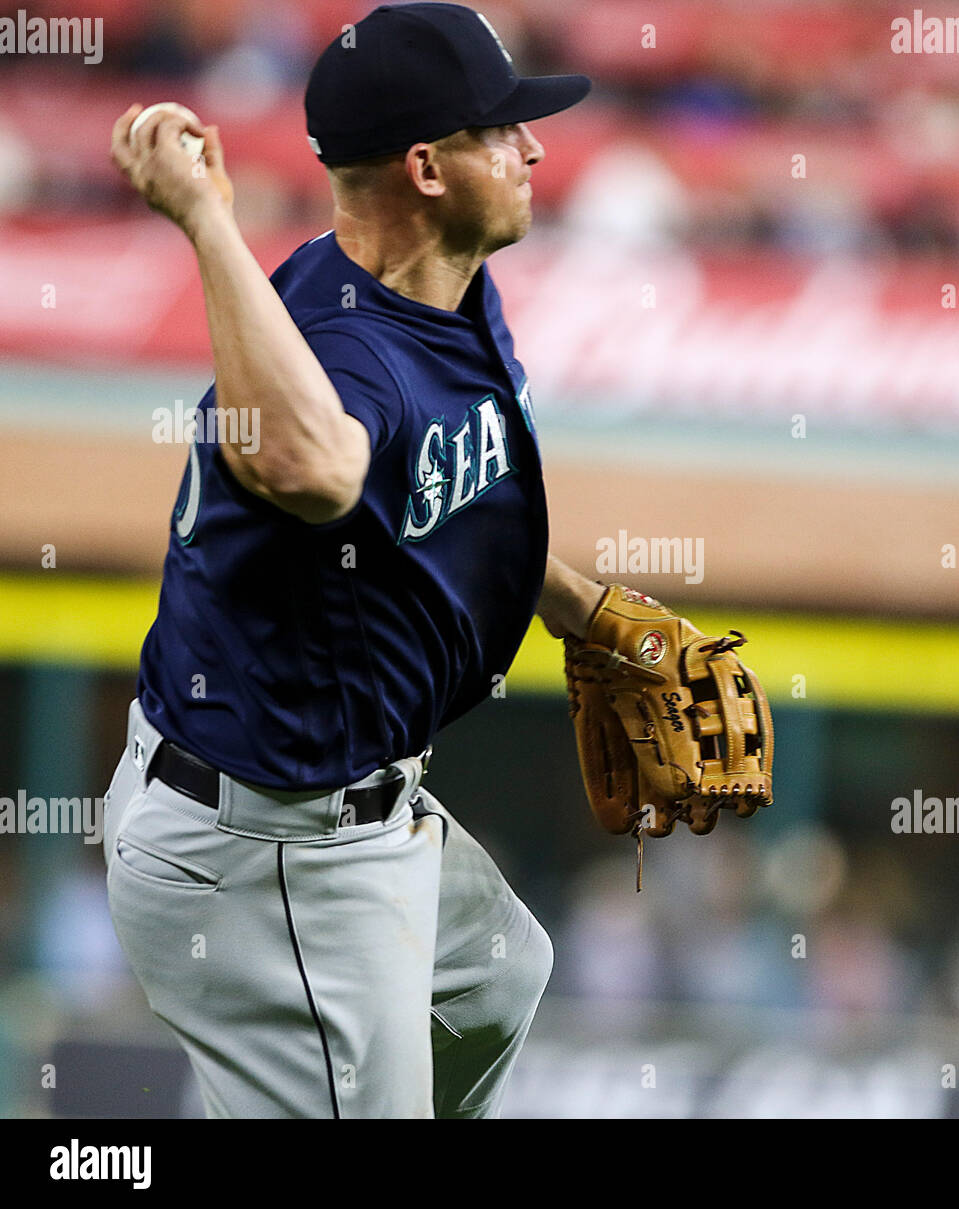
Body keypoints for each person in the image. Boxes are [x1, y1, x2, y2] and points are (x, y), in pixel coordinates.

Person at [103, 2, 608, 1119]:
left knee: (491, 980)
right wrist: (202, 221)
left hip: (337, 817)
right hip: (265, 854)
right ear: (426, 167)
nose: (532, 150)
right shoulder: (343, 352)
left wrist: (581, 610)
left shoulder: (439, 288)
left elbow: (432, 517)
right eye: (501, 133)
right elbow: (312, 463)